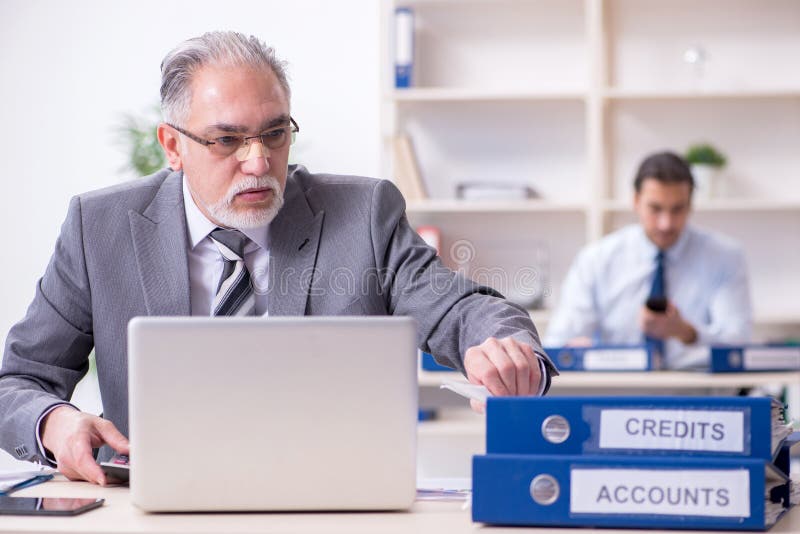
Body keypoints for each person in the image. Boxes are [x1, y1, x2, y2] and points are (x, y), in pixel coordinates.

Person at [0, 31, 555, 485]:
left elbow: (461, 310)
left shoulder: (361, 213)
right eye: (227, 140)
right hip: (155, 499)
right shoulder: (100, 228)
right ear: (173, 146)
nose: (258, 162)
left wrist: (504, 350)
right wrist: (54, 423)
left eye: (274, 133)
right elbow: (18, 381)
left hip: (333, 496)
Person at [545, 151, 752, 368]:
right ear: (636, 201)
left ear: (691, 204)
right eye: (655, 209)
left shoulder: (725, 257)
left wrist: (686, 332)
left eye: (677, 209)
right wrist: (577, 350)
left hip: (700, 394)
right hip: (617, 393)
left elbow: (738, 344)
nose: (666, 223)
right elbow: (558, 343)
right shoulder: (595, 260)